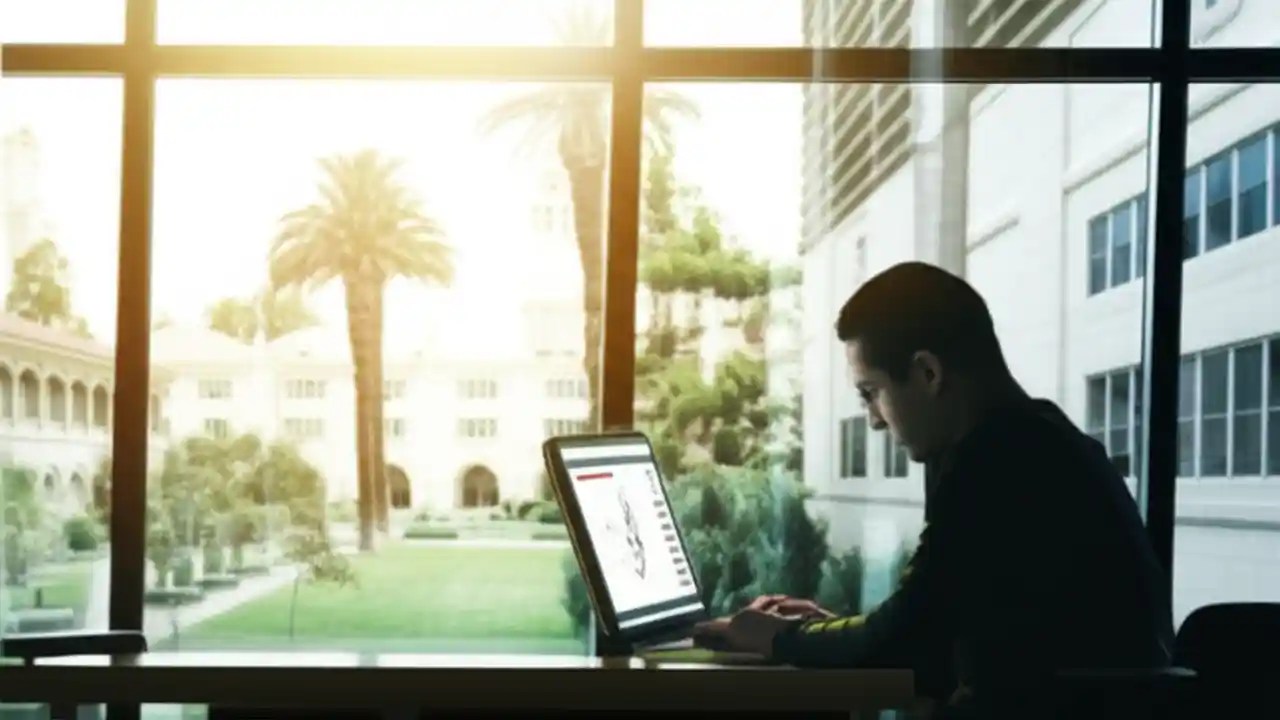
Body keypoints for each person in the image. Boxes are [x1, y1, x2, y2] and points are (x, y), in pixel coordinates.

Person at [692, 262, 1174, 714]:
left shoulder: (999, 462)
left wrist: (779, 639)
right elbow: (929, 625)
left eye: (871, 393)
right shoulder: (1040, 440)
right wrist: (824, 629)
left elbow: (906, 639)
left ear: (928, 373)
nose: (874, 421)